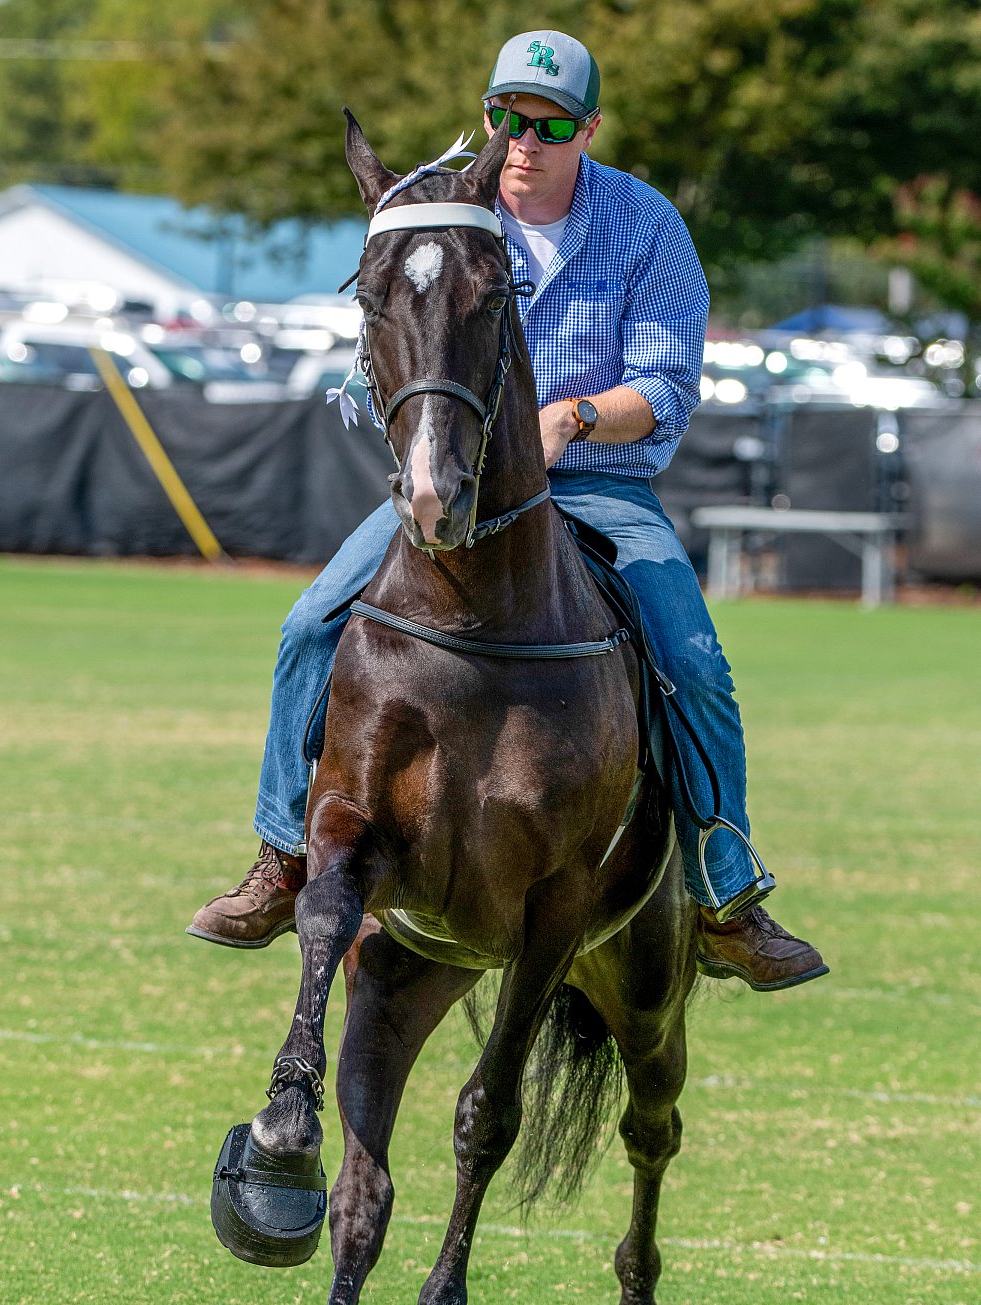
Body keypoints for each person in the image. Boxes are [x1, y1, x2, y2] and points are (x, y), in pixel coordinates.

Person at [188, 29, 827, 992]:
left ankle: (724, 893)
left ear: (588, 128)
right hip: (451, 484)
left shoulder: (647, 225)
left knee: (694, 664)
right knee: (307, 624)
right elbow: (385, 340)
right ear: (486, 114)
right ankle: (282, 860)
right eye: (507, 117)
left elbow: (665, 386)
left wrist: (567, 419)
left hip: (601, 489)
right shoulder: (431, 206)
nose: (523, 140)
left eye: (550, 123)